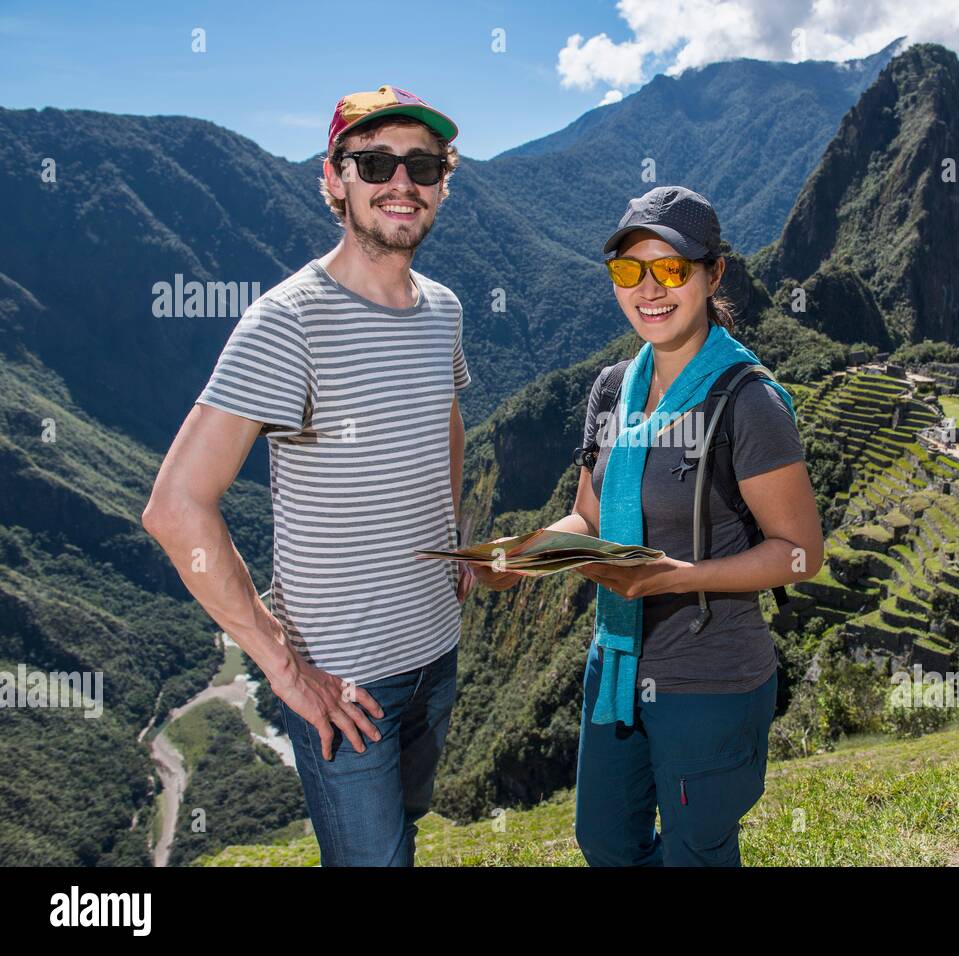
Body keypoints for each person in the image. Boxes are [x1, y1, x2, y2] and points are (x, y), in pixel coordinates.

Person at [142, 85, 472, 866]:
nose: (401, 181)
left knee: (404, 832)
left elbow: (447, 418)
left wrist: (451, 534)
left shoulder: (445, 310)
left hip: (438, 652)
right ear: (334, 179)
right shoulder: (286, 322)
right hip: (348, 686)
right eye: (375, 162)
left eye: (421, 165)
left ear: (443, 183)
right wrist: (287, 673)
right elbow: (176, 507)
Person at [471, 185, 824, 866]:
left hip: (711, 678)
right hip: (618, 661)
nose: (648, 290)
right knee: (604, 841)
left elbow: (801, 554)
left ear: (713, 273)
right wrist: (522, 555)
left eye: (671, 269)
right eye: (629, 270)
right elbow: (590, 515)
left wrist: (680, 578)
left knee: (695, 852)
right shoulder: (612, 390)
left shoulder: (747, 403)